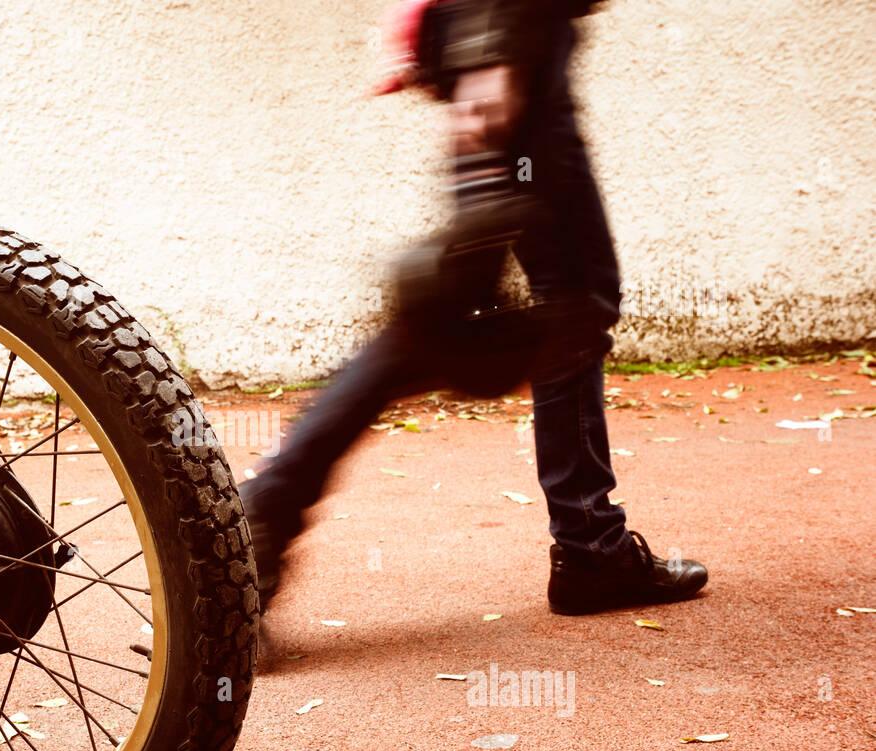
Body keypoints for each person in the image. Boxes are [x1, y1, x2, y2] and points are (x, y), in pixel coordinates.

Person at [241, 0, 708, 626]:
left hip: (502, 52)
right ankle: (590, 548)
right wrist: (489, 62)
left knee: (445, 327)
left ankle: (264, 517)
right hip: (510, 46)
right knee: (565, 307)